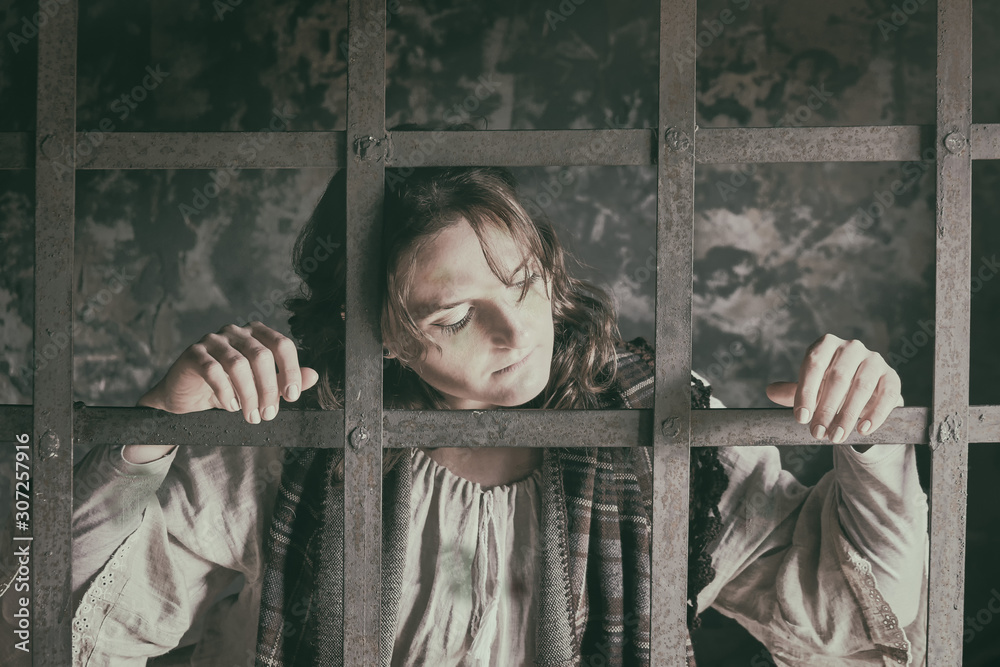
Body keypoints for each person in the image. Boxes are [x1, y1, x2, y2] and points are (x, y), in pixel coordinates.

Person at [71, 165, 928, 667]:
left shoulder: (655, 427)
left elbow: (855, 628)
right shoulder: (302, 440)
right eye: (451, 317)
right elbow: (60, 628)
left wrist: (872, 440)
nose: (515, 331)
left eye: (520, 284)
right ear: (380, 335)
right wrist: (151, 423)